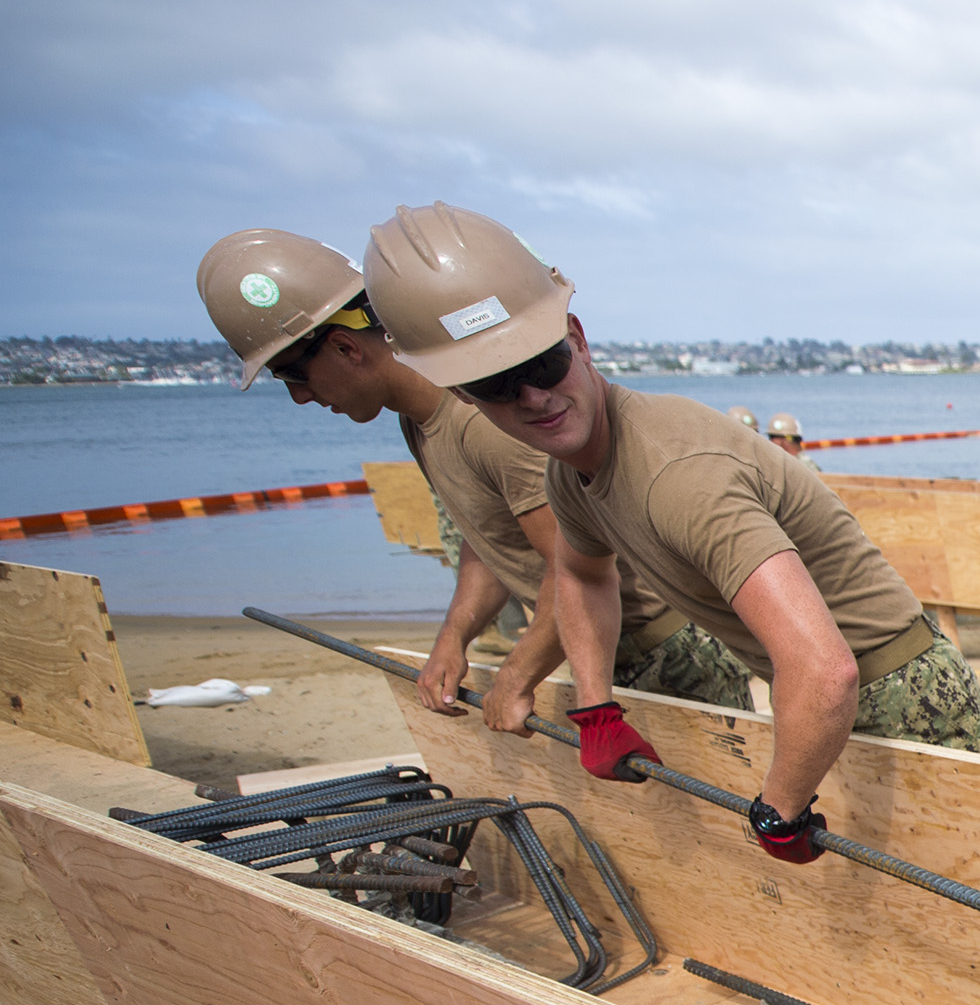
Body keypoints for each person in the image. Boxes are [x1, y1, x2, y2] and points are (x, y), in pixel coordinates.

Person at [359, 203, 980, 865]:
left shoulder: (678, 477)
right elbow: (580, 573)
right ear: (465, 396)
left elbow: (824, 671)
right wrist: (596, 709)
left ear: (578, 338)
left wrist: (778, 809)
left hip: (900, 696)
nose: (534, 397)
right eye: (498, 385)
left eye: (544, 365)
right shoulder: (571, 473)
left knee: (963, 885)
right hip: (817, 695)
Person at [193, 228, 751, 727]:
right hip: (600, 648)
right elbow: (487, 539)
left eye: (292, 375)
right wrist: (454, 637)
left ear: (344, 347)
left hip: (666, 654)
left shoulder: (485, 421)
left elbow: (573, 571)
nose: (300, 397)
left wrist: (517, 675)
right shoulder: (421, 421)